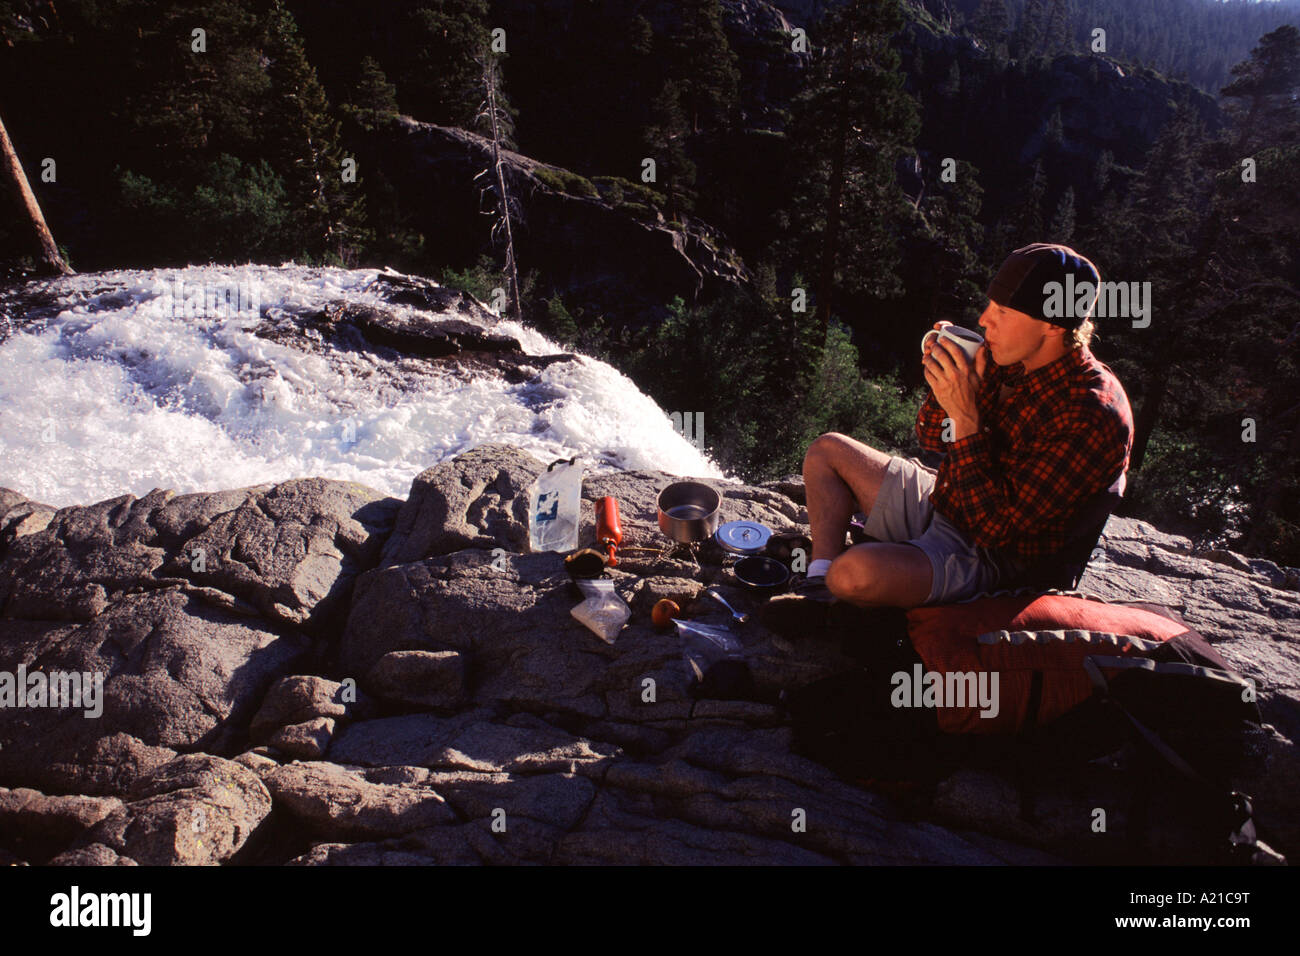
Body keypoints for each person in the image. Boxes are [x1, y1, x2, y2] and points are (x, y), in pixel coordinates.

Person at [763, 243, 1135, 637]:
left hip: (999, 560)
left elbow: (995, 530)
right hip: (951, 500)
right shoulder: (1008, 357)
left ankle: (854, 586)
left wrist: (966, 418)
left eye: (1003, 312)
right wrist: (947, 379)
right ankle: (818, 582)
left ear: (1053, 325)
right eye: (991, 305)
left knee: (853, 574)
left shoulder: (1092, 413)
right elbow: (931, 438)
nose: (984, 320)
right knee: (827, 451)